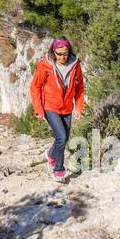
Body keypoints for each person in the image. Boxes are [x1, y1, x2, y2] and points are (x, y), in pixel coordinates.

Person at [30, 38, 84, 182]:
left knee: (64, 138)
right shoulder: (45, 65)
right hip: (50, 105)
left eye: (65, 54)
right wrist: (38, 109)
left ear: (69, 52)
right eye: (58, 54)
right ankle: (58, 170)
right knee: (61, 137)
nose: (62, 57)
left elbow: (79, 87)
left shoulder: (75, 64)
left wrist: (79, 107)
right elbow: (35, 87)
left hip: (67, 107)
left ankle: (51, 154)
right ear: (53, 52)